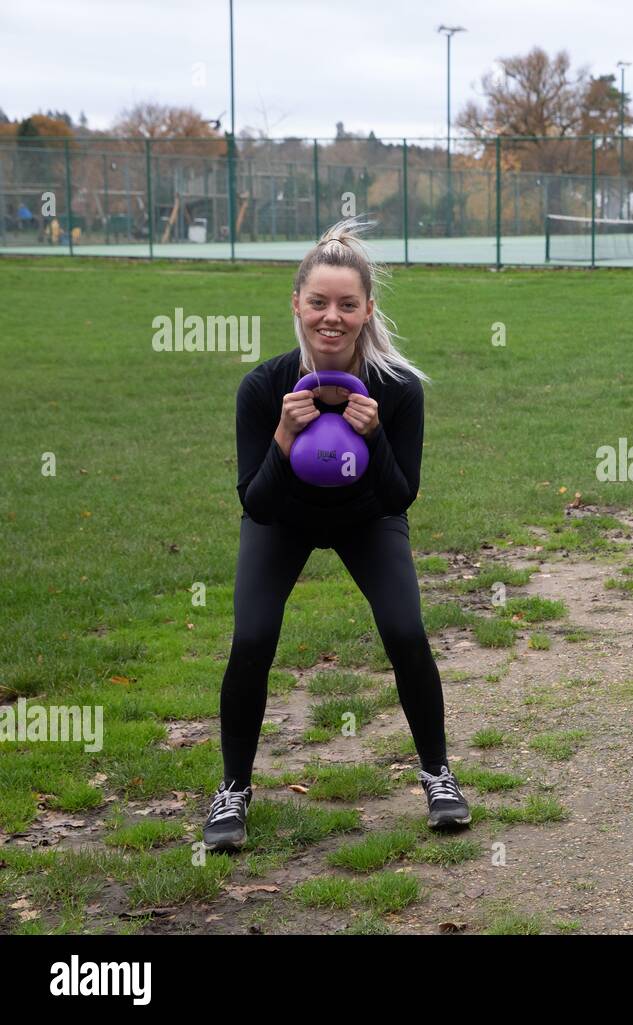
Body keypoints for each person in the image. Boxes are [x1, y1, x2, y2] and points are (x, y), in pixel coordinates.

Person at [203, 219, 468, 851]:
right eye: (318, 302)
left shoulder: (397, 389)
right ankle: (233, 790)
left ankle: (438, 776)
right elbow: (257, 502)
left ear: (368, 309)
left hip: (366, 517)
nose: (332, 317)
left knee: (405, 629)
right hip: (284, 518)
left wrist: (374, 438)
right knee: (253, 636)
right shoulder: (264, 388)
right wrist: (283, 438)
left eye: (347, 304)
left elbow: (400, 496)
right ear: (296, 303)